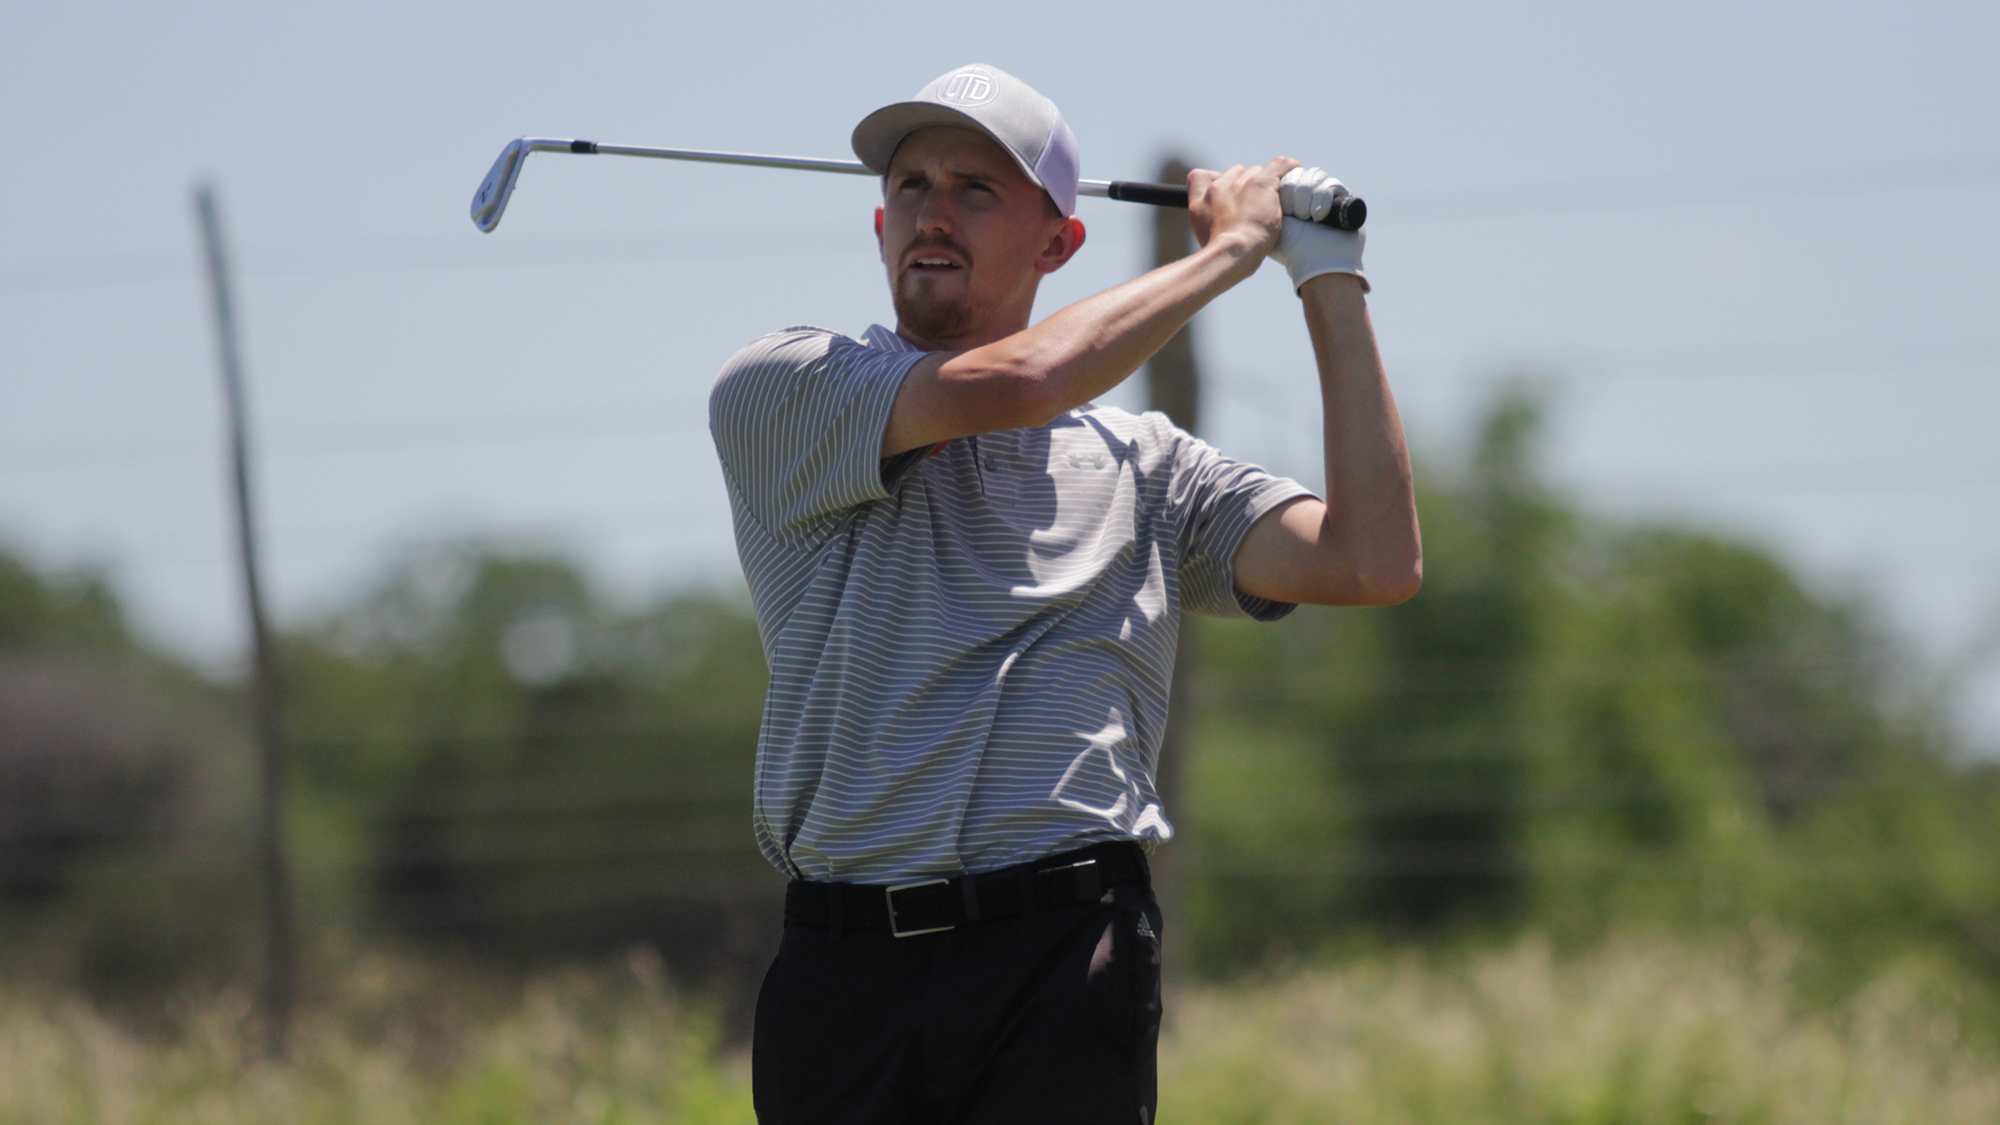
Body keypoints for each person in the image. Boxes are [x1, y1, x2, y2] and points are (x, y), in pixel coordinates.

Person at [708, 63, 1420, 1125]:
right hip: (846, 970)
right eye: (911, 185)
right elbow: (1023, 381)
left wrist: (1326, 277)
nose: (931, 214)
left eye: (975, 189)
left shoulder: (1148, 467)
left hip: (1060, 961)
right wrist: (1232, 249)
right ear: (877, 222)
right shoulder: (786, 387)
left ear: (1058, 244)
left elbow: (1370, 559)